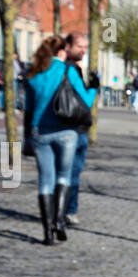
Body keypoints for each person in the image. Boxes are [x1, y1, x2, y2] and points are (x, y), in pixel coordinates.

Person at [23, 33, 96, 244]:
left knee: (45, 181)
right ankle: (59, 222)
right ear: (62, 52)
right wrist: (94, 87)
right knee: (64, 177)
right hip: (66, 132)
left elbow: (28, 108)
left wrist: (27, 136)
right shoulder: (67, 70)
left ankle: (47, 233)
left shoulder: (33, 73)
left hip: (40, 132)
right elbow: (86, 101)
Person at [61, 32, 93, 227]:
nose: (84, 50)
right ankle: (68, 211)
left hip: (68, 126)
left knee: (63, 172)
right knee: (72, 173)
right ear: (68, 47)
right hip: (75, 128)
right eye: (80, 46)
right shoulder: (71, 70)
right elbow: (86, 101)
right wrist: (94, 87)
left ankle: (59, 211)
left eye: (86, 47)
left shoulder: (61, 68)